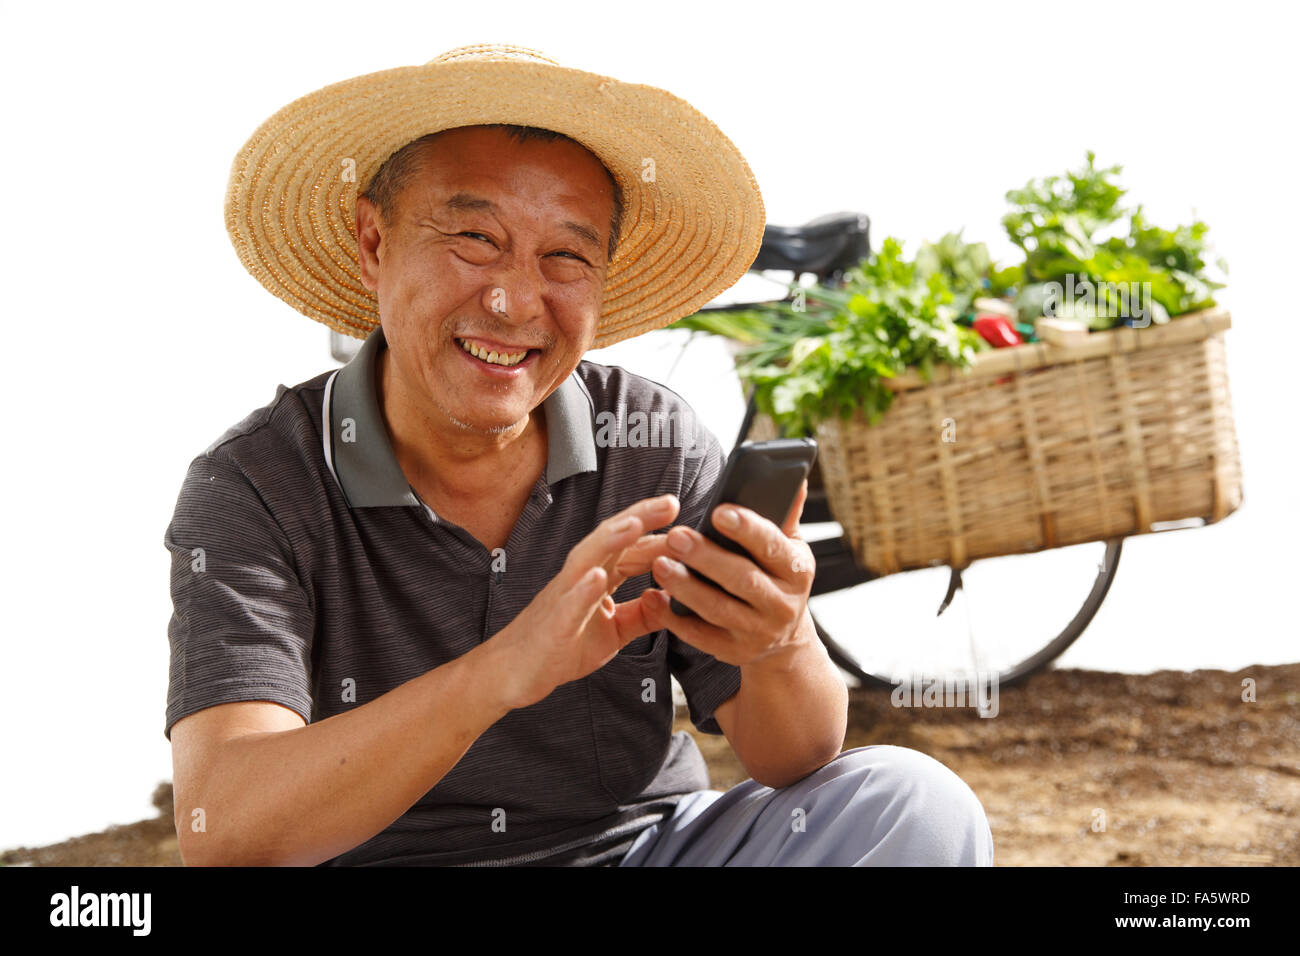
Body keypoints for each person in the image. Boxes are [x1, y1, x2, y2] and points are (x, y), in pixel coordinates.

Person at [164, 43, 994, 866]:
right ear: (373, 243)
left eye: (565, 255)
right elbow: (227, 829)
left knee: (916, 807)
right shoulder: (257, 484)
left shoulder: (653, 443)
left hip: (639, 852)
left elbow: (794, 754)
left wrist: (776, 643)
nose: (514, 299)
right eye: (473, 237)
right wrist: (502, 673)